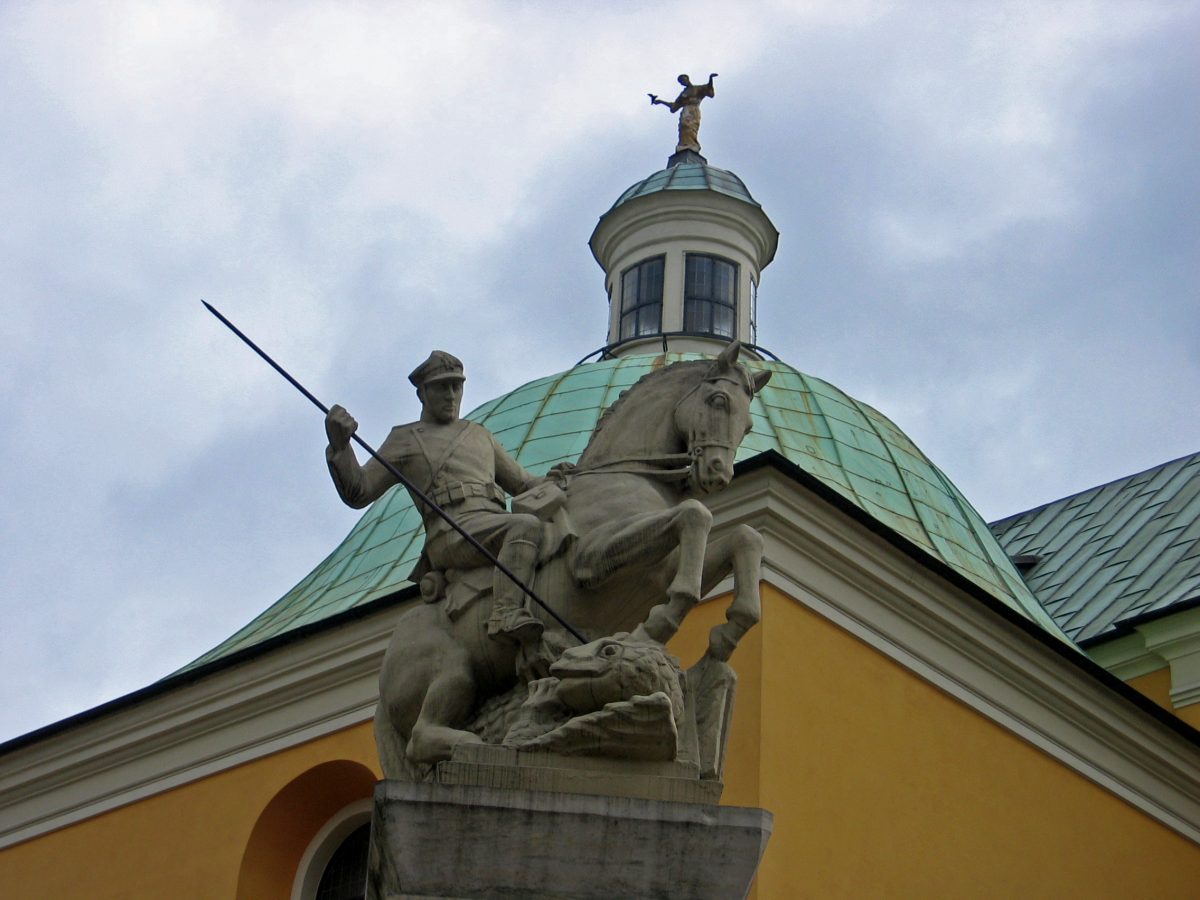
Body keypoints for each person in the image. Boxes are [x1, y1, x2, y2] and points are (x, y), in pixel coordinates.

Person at [324, 351, 544, 647]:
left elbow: (524, 483)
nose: (452, 395)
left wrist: (571, 477)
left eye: (457, 386)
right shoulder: (406, 438)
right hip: (452, 531)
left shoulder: (479, 434)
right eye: (442, 387)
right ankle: (505, 613)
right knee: (525, 527)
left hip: (491, 520)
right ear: (422, 392)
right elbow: (360, 490)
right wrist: (341, 446)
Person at [648, 73, 717, 154]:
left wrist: (710, 79)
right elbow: (674, 106)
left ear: (687, 79)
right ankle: (684, 145)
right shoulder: (683, 94)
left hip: (693, 111)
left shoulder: (697, 88)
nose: (682, 82)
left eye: (683, 80)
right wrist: (661, 102)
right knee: (683, 126)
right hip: (685, 112)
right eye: (681, 82)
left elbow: (708, 89)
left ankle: (693, 145)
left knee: (691, 127)